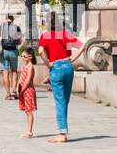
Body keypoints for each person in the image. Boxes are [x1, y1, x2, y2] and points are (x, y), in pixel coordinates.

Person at [37, 13, 80, 143]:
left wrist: (48, 64)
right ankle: (63, 130)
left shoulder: (46, 36)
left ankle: (62, 133)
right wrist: (73, 58)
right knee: (65, 101)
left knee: (60, 101)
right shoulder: (65, 34)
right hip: (68, 66)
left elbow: (40, 51)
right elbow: (80, 46)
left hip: (55, 67)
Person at [0, 15, 21, 100]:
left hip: (3, 51)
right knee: (14, 71)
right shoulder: (17, 27)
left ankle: (8, 94)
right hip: (13, 51)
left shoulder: (0, 26)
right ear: (12, 20)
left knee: (5, 72)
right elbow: (19, 41)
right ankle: (14, 91)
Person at [18, 47, 38, 138]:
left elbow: (27, 80)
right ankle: (28, 130)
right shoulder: (24, 66)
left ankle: (29, 132)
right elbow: (21, 78)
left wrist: (22, 90)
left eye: (24, 56)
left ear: (30, 57)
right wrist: (17, 88)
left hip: (28, 90)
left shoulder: (30, 67)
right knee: (27, 111)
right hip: (23, 90)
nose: (22, 57)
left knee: (29, 111)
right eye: (21, 55)